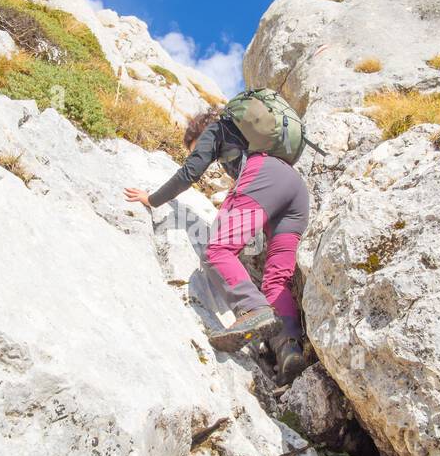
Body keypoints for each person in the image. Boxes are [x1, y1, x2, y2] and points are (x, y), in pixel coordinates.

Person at [124, 107, 309, 382]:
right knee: (276, 280)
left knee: (217, 250)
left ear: (201, 132)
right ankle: (289, 352)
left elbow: (190, 172)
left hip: (264, 177)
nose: (208, 158)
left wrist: (151, 199)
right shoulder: (249, 139)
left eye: (198, 148)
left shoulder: (217, 128)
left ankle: (253, 309)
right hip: (296, 192)